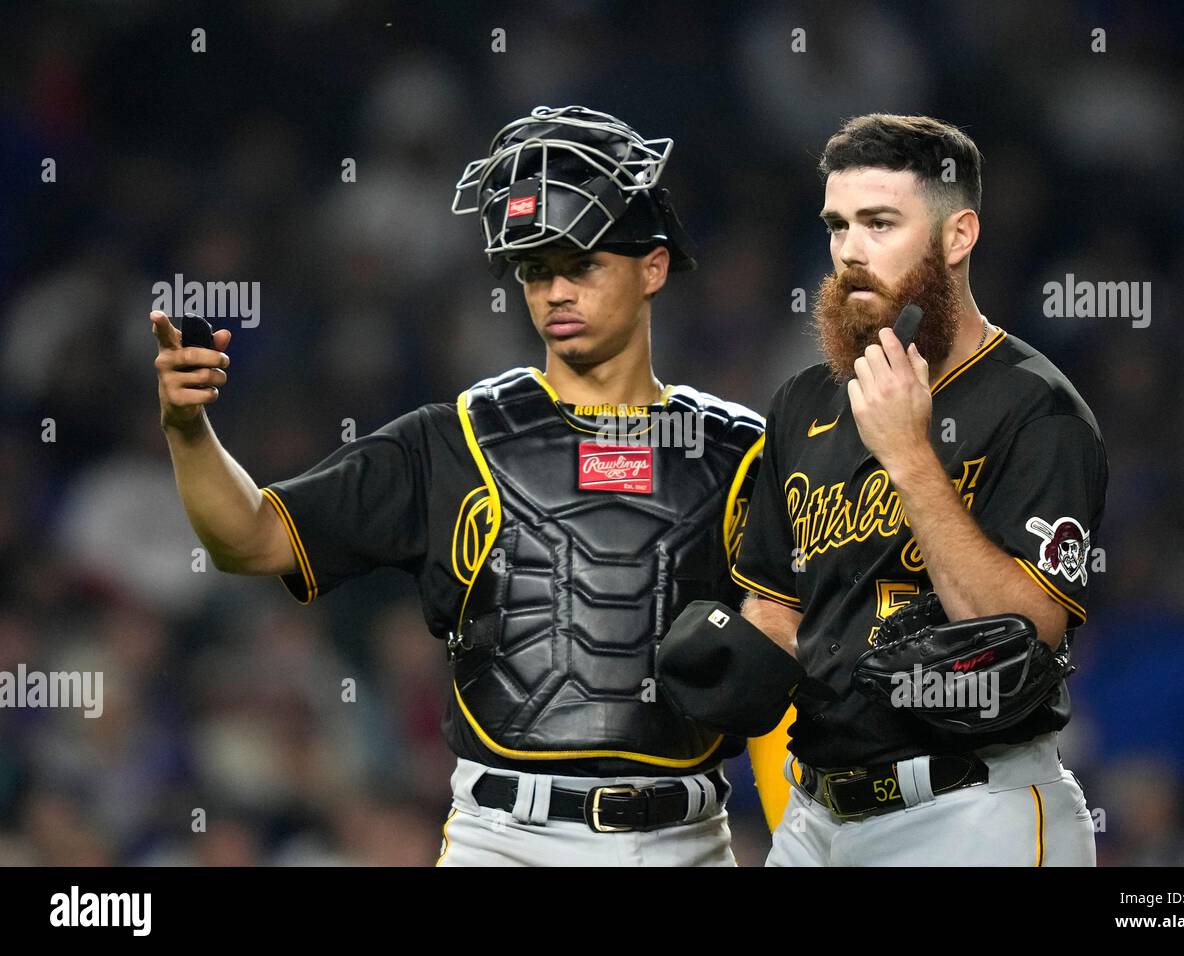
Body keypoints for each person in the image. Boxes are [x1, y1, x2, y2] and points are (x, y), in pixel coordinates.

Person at [151, 105, 764, 867]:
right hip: (506, 842)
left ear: (653, 266)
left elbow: (791, 654)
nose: (555, 292)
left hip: (688, 840)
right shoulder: (453, 440)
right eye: (535, 271)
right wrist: (187, 431)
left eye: (582, 265)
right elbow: (251, 539)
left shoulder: (739, 453)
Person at [732, 113, 1107, 866]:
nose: (849, 252)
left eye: (879, 223)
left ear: (957, 235)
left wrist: (908, 454)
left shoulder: (1036, 407)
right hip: (815, 816)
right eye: (838, 226)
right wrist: (732, 664)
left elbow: (1022, 633)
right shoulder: (805, 401)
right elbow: (777, 602)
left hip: (971, 812)